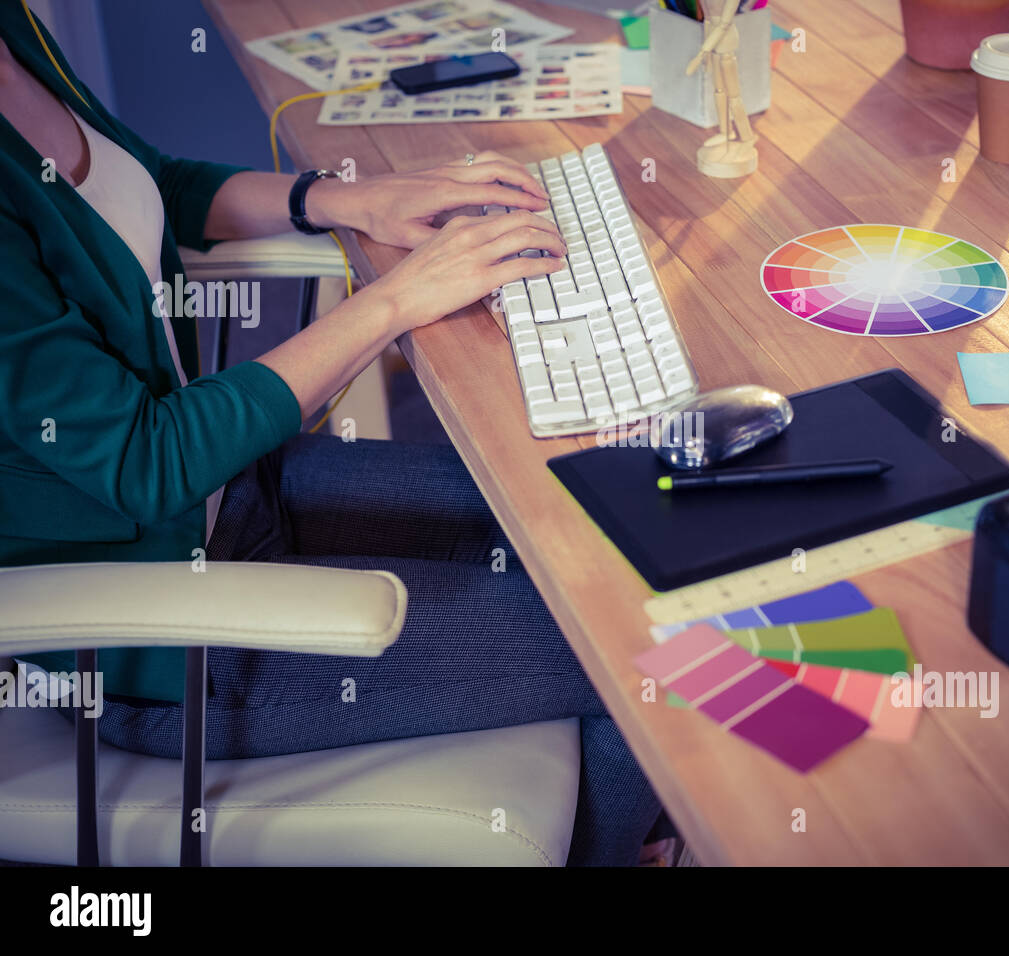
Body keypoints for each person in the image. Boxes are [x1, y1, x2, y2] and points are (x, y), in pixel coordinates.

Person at [0, 3, 660, 866]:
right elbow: (144, 462)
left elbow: (150, 180)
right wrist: (392, 302)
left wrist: (352, 199)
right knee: (640, 645)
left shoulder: (16, 32)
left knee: (621, 522)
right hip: (145, 639)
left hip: (231, 498)